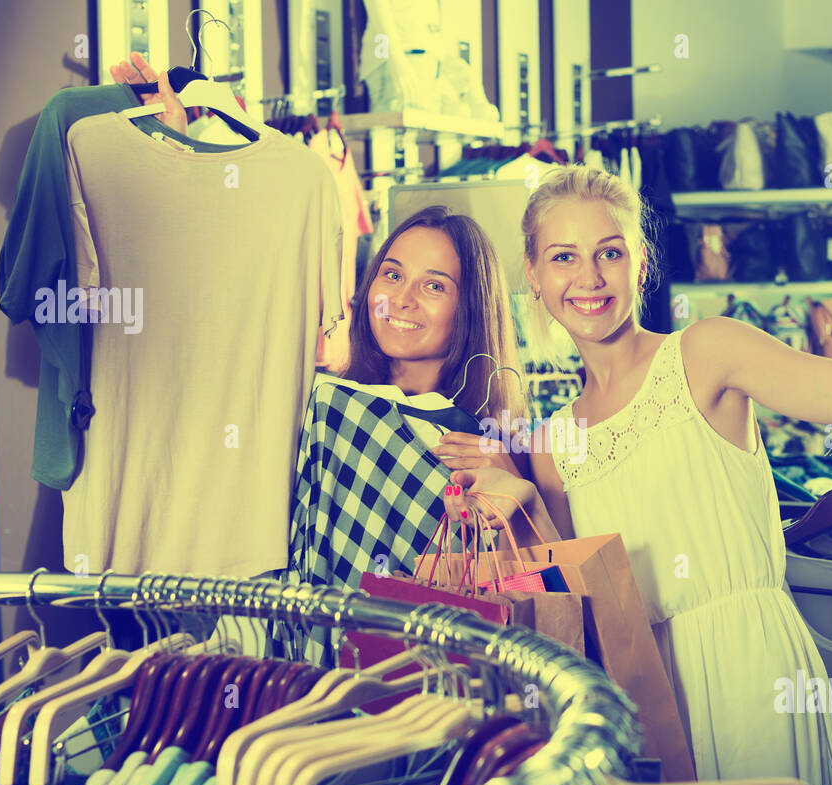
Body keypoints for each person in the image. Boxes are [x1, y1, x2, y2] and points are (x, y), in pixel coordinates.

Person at [442, 158, 832, 785]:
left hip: (753, 675)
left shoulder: (705, 353)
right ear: (536, 278)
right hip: (645, 697)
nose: (588, 277)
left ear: (639, 262)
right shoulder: (550, 443)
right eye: (563, 257)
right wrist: (516, 497)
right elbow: (584, 608)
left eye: (609, 251)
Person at [107, 54, 524, 476]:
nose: (401, 299)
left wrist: (508, 482)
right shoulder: (321, 409)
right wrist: (172, 153)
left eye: (434, 286)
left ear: (471, 307)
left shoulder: (484, 448)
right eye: (392, 274)